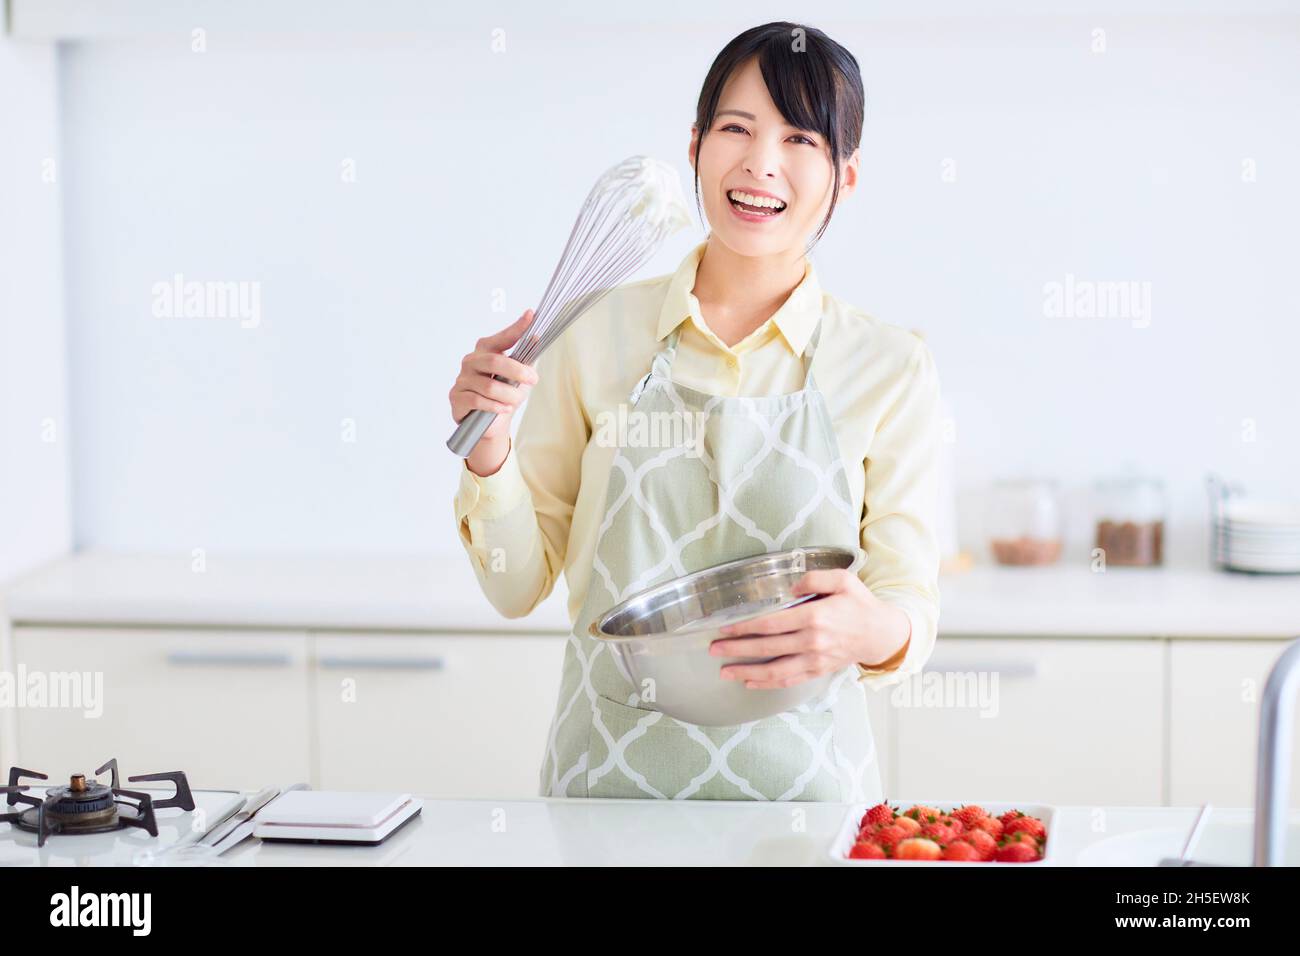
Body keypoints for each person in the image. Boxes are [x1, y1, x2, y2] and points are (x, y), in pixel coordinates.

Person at [449, 21, 941, 802]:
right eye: (736, 129)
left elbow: (907, 599)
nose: (760, 163)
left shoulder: (888, 366)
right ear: (695, 144)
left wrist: (872, 631)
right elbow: (515, 587)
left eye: (800, 140)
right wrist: (491, 450)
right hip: (606, 801)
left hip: (808, 810)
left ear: (845, 177)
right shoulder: (591, 331)